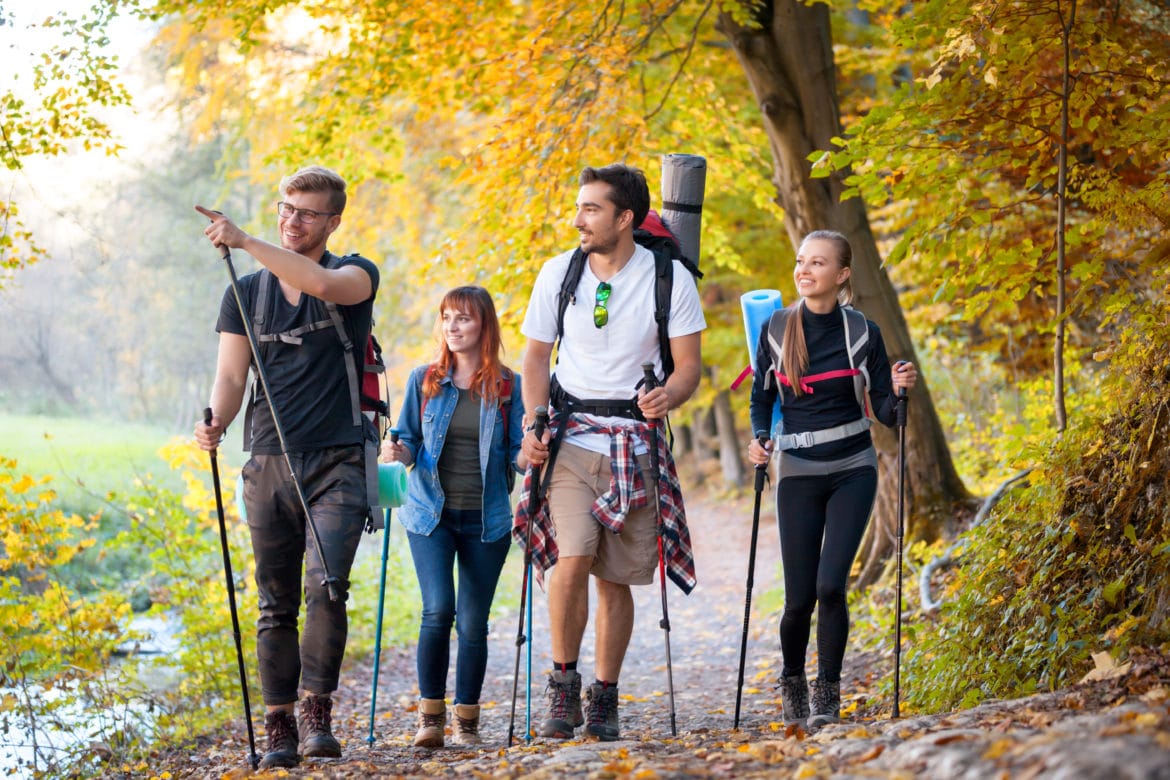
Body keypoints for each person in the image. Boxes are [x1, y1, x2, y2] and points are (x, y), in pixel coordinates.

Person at [193, 166, 379, 769]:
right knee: (275, 601)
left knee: (327, 587)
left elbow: (322, 283)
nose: (292, 220)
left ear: (333, 221)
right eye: (286, 208)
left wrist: (246, 239)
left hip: (339, 460)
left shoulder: (357, 273)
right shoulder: (243, 293)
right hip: (268, 459)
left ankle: (316, 710)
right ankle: (278, 724)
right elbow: (231, 375)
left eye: (306, 212)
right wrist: (216, 421)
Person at [515, 163, 706, 742]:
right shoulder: (558, 272)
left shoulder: (669, 280)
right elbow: (534, 358)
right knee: (571, 558)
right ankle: (562, 685)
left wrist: (668, 395)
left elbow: (688, 368)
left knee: (615, 579)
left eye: (591, 209)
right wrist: (532, 420)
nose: (578, 220)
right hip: (572, 437)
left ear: (624, 218)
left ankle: (603, 696)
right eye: (579, 207)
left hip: (635, 443)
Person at [746, 230, 917, 730]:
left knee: (831, 586)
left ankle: (827, 691)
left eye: (817, 263)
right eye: (801, 261)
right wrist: (761, 438)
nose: (804, 270)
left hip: (853, 469)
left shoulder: (862, 332)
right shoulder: (777, 329)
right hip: (797, 471)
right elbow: (761, 397)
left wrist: (900, 391)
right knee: (799, 599)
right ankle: (793, 680)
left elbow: (887, 412)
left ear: (841, 275)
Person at [381, 285, 524, 748]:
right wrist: (396, 452)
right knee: (438, 609)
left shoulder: (509, 387)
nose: (452, 327)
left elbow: (520, 454)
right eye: (446, 318)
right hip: (430, 516)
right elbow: (407, 441)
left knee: (473, 623)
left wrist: (532, 454)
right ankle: (430, 719)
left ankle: (467, 721)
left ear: (484, 325)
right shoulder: (424, 380)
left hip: (487, 519)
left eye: (462, 318)